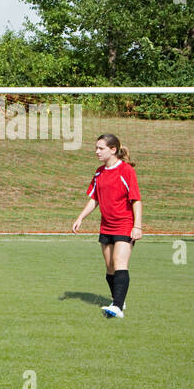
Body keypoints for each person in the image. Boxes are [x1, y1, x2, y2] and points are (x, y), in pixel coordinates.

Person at [71, 134, 142, 318]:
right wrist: (80, 217)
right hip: (106, 226)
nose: (96, 151)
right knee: (109, 268)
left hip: (125, 225)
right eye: (96, 148)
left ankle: (117, 307)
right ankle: (119, 299)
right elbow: (94, 198)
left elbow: (136, 200)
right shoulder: (99, 172)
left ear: (113, 150)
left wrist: (138, 226)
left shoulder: (126, 171)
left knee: (120, 263)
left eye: (100, 148)